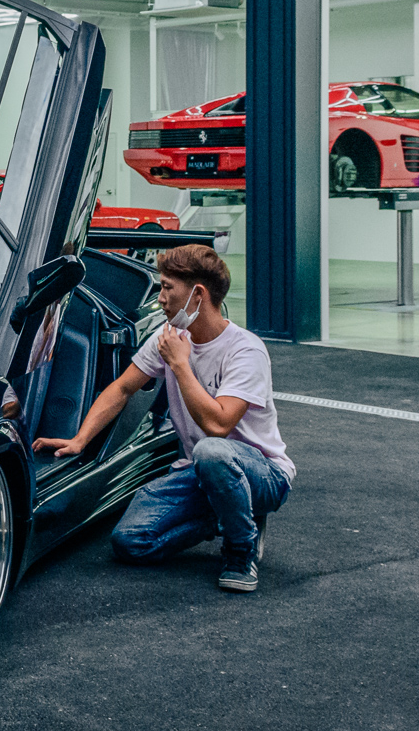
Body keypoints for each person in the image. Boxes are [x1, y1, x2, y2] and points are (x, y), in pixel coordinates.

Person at [32, 244, 292, 592]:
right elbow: (121, 389)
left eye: (168, 287)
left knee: (212, 451)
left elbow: (219, 425)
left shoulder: (245, 350)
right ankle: (229, 514)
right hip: (200, 472)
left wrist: (181, 365)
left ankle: (241, 549)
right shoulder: (168, 339)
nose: (161, 298)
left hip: (262, 474)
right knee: (130, 541)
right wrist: (81, 439)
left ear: (197, 294)